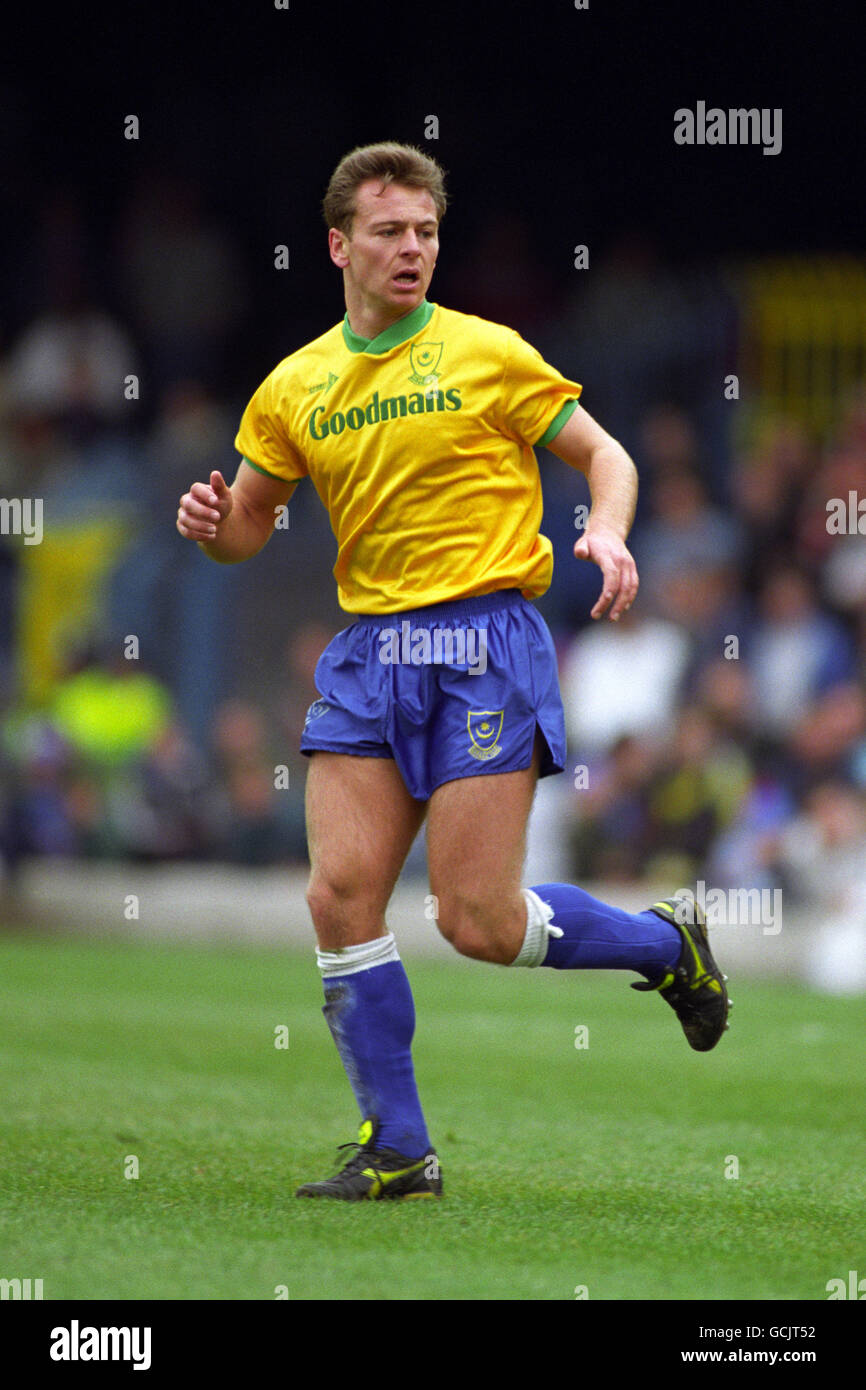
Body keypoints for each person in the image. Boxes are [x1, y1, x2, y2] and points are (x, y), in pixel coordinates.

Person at [176, 142, 730, 1201]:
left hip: (481, 644)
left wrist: (610, 536)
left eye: (425, 232)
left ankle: (664, 944)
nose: (411, 250)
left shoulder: (485, 351)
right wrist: (212, 526)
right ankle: (398, 1148)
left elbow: (605, 458)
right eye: (389, 231)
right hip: (369, 653)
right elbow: (247, 523)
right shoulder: (296, 382)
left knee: (476, 921)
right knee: (340, 895)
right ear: (338, 244)